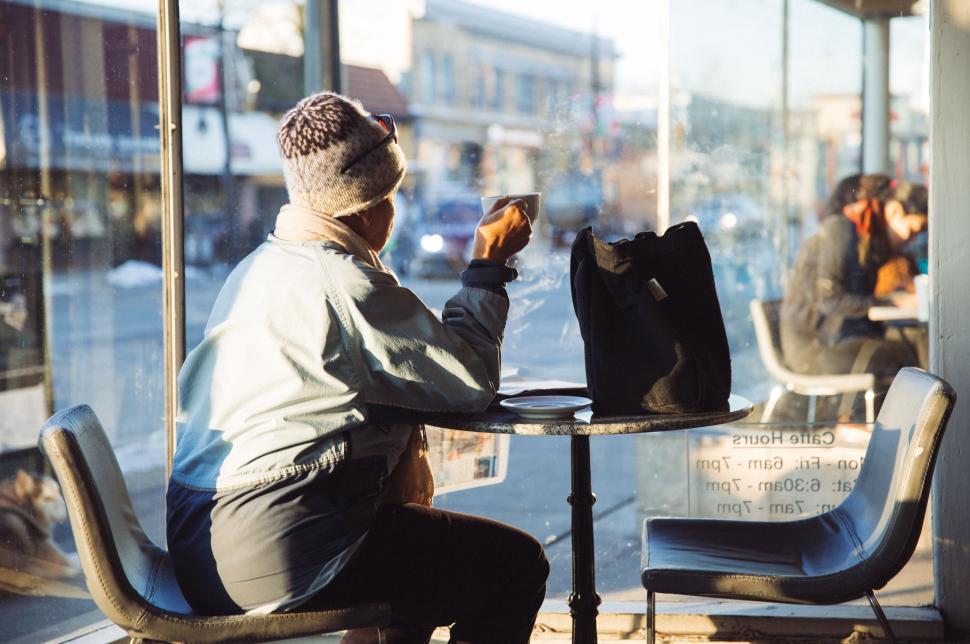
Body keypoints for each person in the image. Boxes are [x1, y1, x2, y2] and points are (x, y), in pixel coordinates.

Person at [166, 92, 548, 644]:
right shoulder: (343, 280)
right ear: (371, 208)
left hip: (202, 545)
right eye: (392, 196)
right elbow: (469, 384)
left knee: (418, 550)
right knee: (515, 567)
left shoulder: (261, 267)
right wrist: (487, 266)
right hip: (276, 548)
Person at [780, 174, 928, 382]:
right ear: (894, 211)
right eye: (913, 231)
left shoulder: (865, 239)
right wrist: (893, 301)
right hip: (816, 349)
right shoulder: (840, 229)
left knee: (917, 339)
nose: (910, 241)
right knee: (910, 352)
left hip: (831, 339)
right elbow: (831, 300)